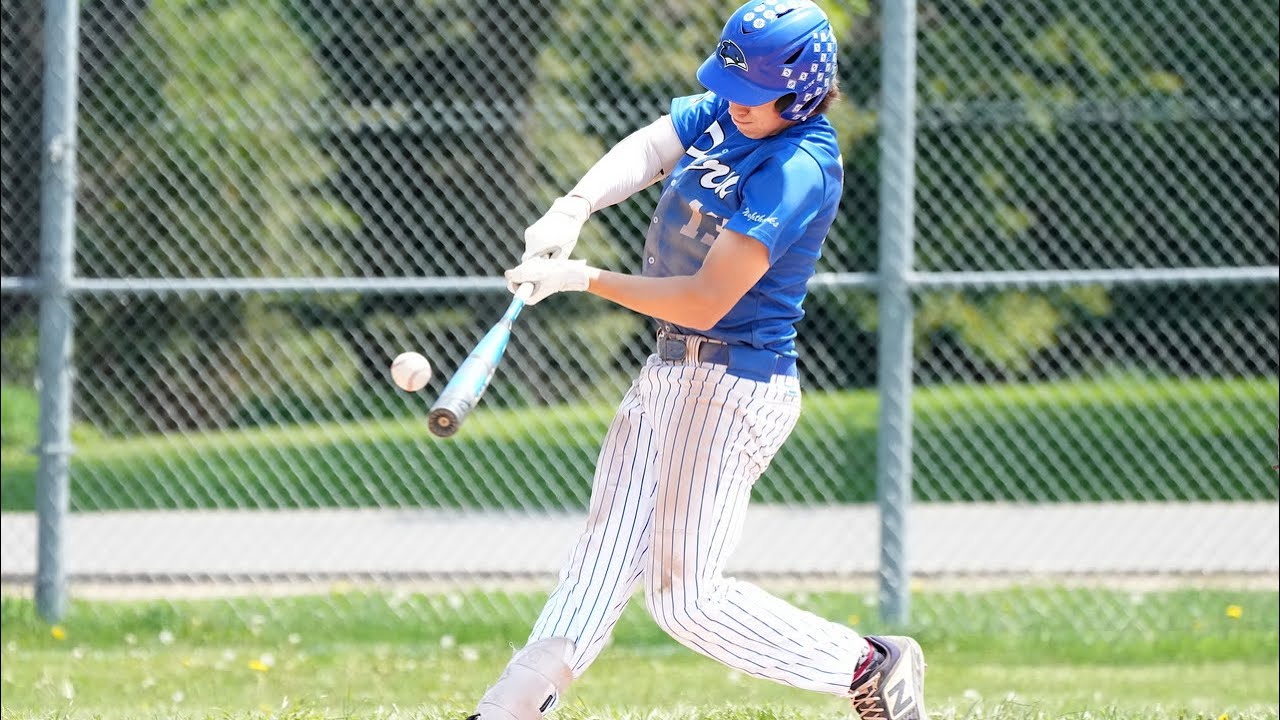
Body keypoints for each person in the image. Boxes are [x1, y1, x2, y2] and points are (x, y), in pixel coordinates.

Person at [468, 2, 926, 718]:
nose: (737, 105)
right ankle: (509, 708)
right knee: (602, 555)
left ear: (802, 89)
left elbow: (705, 299)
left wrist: (584, 279)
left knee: (685, 600)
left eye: (755, 95)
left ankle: (869, 664)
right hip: (669, 372)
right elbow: (652, 149)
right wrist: (574, 205)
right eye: (733, 89)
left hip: (734, 384)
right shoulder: (730, 109)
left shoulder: (798, 165)